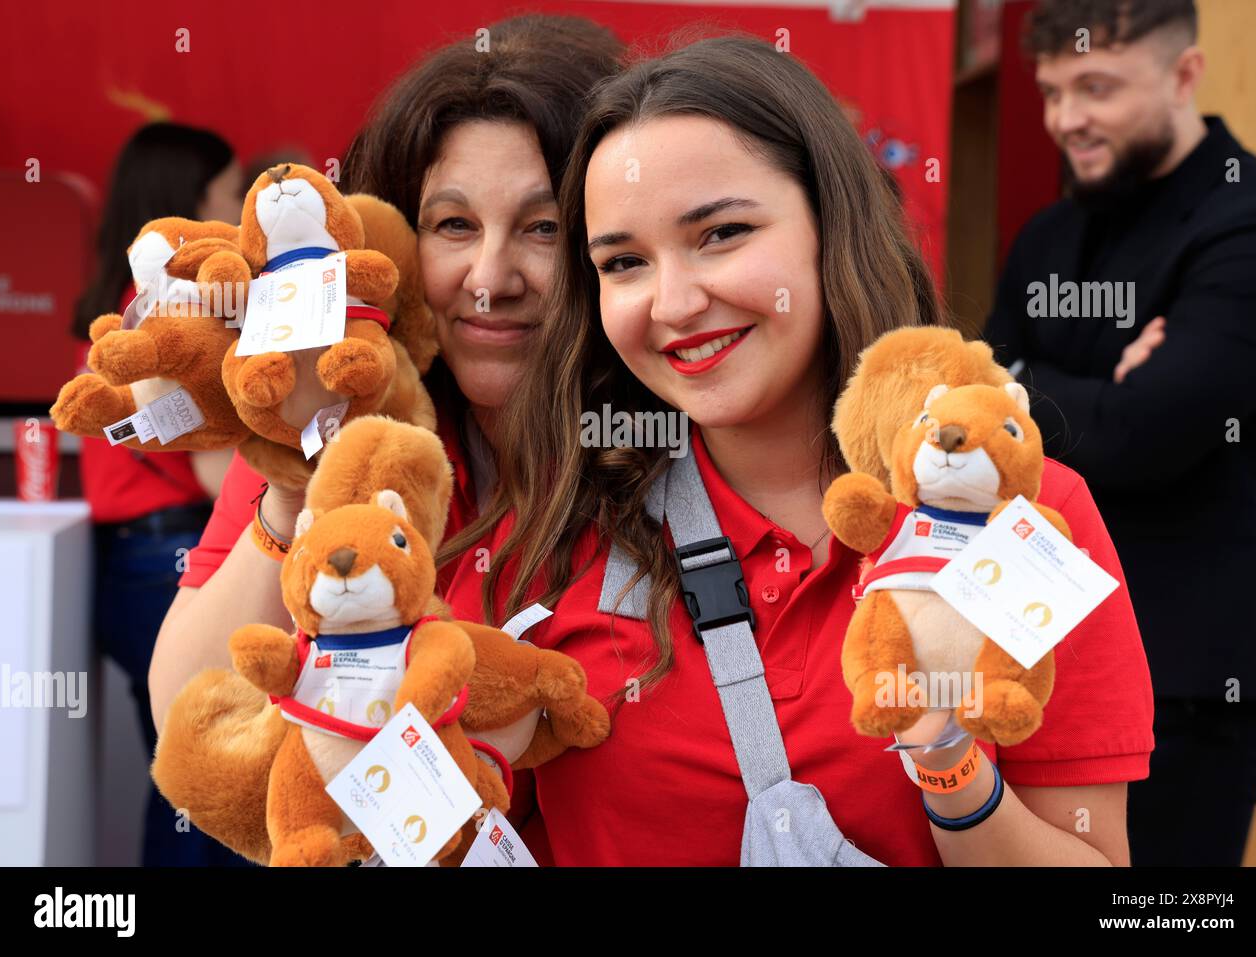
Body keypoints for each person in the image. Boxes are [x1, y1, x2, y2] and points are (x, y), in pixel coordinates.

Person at [441, 34, 1155, 866]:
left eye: (721, 234)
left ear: (831, 223)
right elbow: (452, 833)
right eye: (625, 261)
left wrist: (949, 764)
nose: (673, 302)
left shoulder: (1024, 513)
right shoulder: (551, 530)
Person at [146, 15, 624, 861]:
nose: (490, 278)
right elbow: (189, 706)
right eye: (453, 225)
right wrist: (297, 487)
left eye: (544, 227)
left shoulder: (664, 446)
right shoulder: (335, 437)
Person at [983, 0, 1256, 865]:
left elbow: (1143, 435)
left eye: (1095, 87)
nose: (1064, 118)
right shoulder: (1051, 231)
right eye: (1051, 91)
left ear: (1184, 74)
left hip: (1193, 678)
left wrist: (1028, 389)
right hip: (1036, 653)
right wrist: (1098, 389)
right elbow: (976, 401)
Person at [73, 121, 245, 866]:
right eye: (233, 192)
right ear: (190, 201)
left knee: (183, 781)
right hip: (170, 558)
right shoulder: (177, 314)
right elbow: (216, 476)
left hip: (128, 563)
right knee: (205, 783)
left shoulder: (125, 304)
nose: (243, 213)